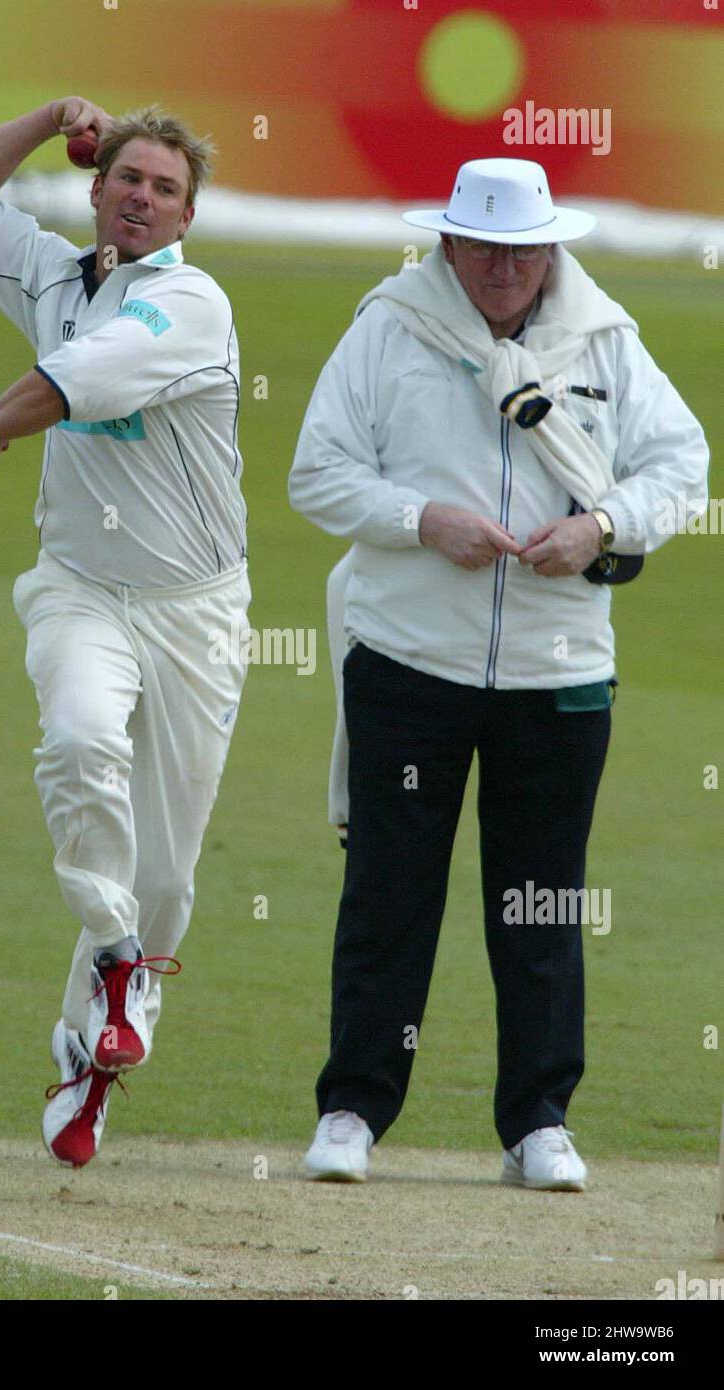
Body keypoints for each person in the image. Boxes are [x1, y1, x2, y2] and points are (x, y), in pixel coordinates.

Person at [289, 158, 709, 1189]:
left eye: (520, 248)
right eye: (481, 246)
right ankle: (352, 1108)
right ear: (445, 243)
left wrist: (600, 527)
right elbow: (318, 470)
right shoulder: (387, 327)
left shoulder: (604, 338)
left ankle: (537, 1122)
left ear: (549, 247)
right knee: (388, 893)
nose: (501, 267)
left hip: (557, 671)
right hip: (407, 664)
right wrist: (420, 520)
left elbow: (680, 465)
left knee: (540, 901)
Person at [0, 97, 250, 1168]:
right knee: (75, 740)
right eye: (127, 180)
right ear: (97, 190)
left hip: (194, 608)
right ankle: (113, 958)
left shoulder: (189, 303)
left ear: (186, 216)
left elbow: (74, 384)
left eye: (163, 188)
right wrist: (50, 116)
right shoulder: (55, 272)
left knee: (171, 874)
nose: (141, 199)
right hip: (80, 588)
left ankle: (88, 1067)